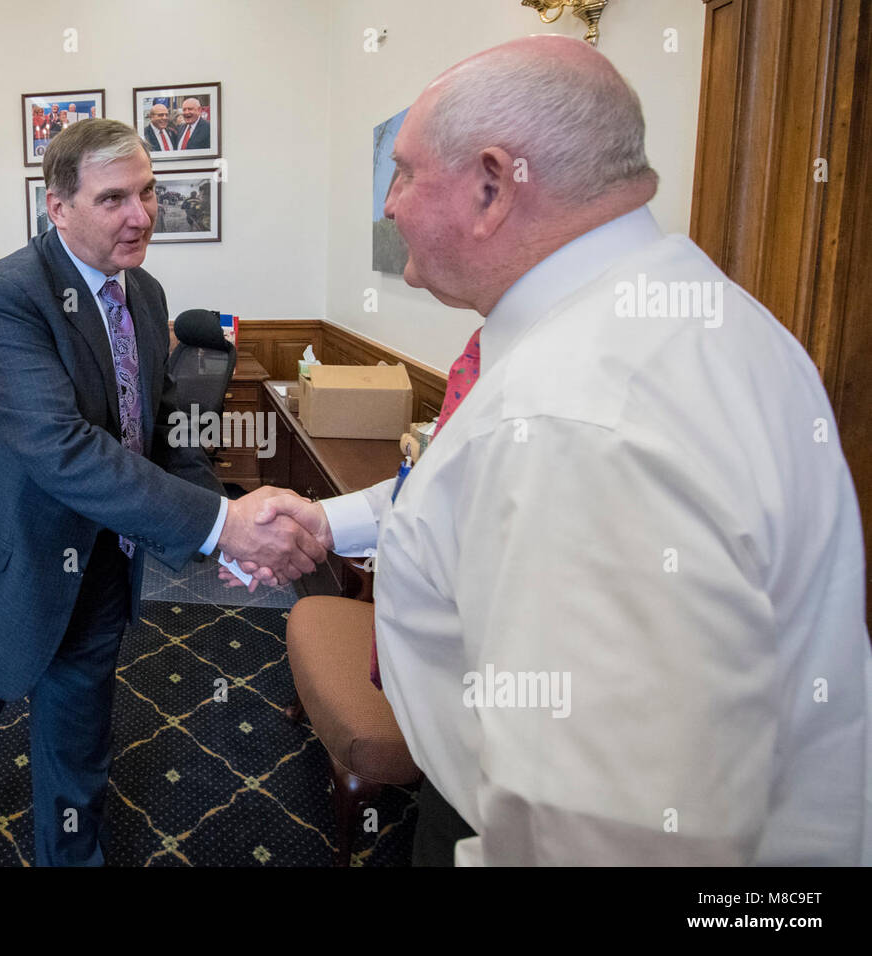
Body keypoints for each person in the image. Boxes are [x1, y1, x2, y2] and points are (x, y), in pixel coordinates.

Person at [228, 35, 871, 865]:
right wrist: (320, 516)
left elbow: (603, 835)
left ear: (493, 184)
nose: (388, 206)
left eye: (407, 173)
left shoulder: (582, 415)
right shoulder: (660, 317)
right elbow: (463, 494)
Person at [0, 118, 326, 866]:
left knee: (79, 765)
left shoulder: (146, 294)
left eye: (149, 193)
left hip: (93, 576)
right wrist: (224, 525)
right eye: (115, 197)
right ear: (57, 207)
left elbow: (161, 435)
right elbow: (64, 450)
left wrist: (218, 525)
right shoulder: (7, 295)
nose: (141, 214)